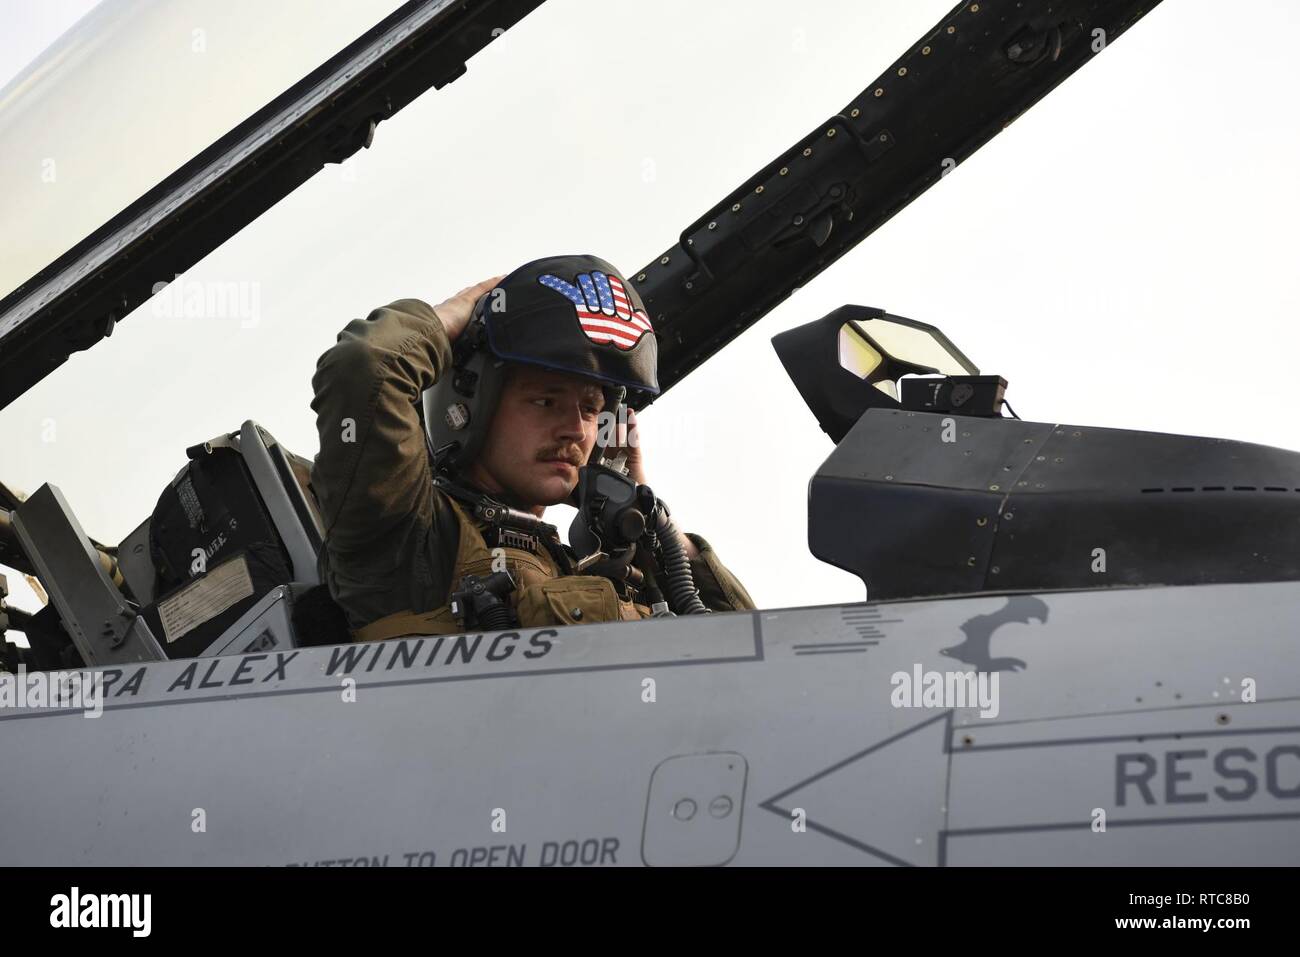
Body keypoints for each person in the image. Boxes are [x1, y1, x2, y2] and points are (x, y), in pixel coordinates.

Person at [309, 254, 754, 641]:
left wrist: (652, 527)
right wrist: (454, 315)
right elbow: (364, 368)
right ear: (469, 405)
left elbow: (754, 659)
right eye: (545, 401)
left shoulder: (589, 566)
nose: (576, 431)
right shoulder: (411, 536)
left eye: (588, 408)